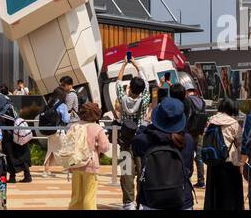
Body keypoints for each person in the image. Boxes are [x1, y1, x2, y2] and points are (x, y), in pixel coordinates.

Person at [132, 96, 196, 210]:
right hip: (181, 198)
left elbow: (135, 144)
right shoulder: (188, 140)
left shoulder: (145, 139)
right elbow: (189, 171)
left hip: (151, 199)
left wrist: (146, 124)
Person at [63, 102, 110, 210]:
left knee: (76, 196)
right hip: (90, 164)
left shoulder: (74, 126)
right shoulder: (97, 128)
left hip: (75, 164)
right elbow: (105, 147)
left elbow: (67, 144)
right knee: (89, 196)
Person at [203, 97, 244, 210]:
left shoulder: (211, 121)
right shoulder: (234, 124)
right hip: (230, 163)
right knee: (230, 196)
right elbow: (240, 143)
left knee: (214, 194)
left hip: (214, 161)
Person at [115, 75, 149, 209]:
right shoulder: (144, 100)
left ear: (130, 87)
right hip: (141, 138)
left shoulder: (122, 99)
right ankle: (141, 201)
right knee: (142, 170)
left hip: (125, 138)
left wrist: (124, 64)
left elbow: (118, 83)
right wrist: (136, 65)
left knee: (126, 170)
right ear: (141, 90)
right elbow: (145, 83)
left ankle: (128, 202)